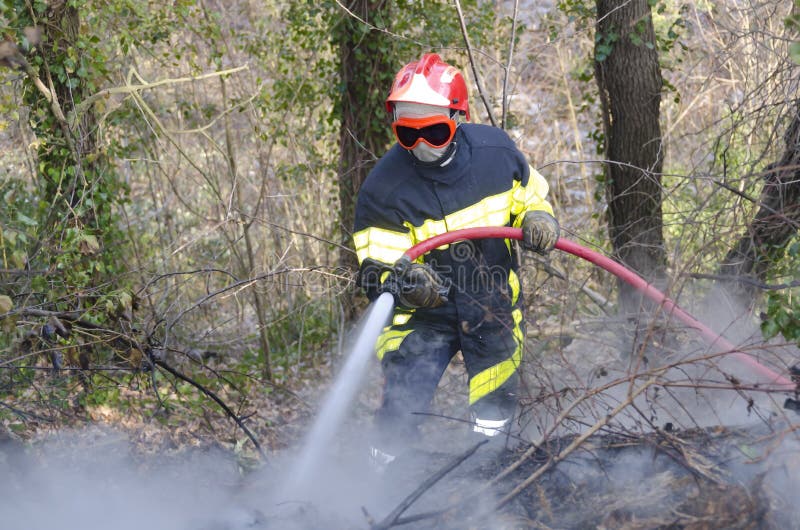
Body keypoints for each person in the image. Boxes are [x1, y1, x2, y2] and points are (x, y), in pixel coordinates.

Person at [352, 53, 559, 468]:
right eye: (408, 134)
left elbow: (530, 196)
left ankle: (491, 472)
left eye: (433, 131)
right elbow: (375, 270)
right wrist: (408, 284)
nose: (421, 145)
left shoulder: (495, 154)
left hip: (492, 304)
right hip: (420, 319)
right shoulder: (384, 189)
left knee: (496, 404)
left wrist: (538, 217)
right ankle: (381, 477)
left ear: (457, 118)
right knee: (401, 405)